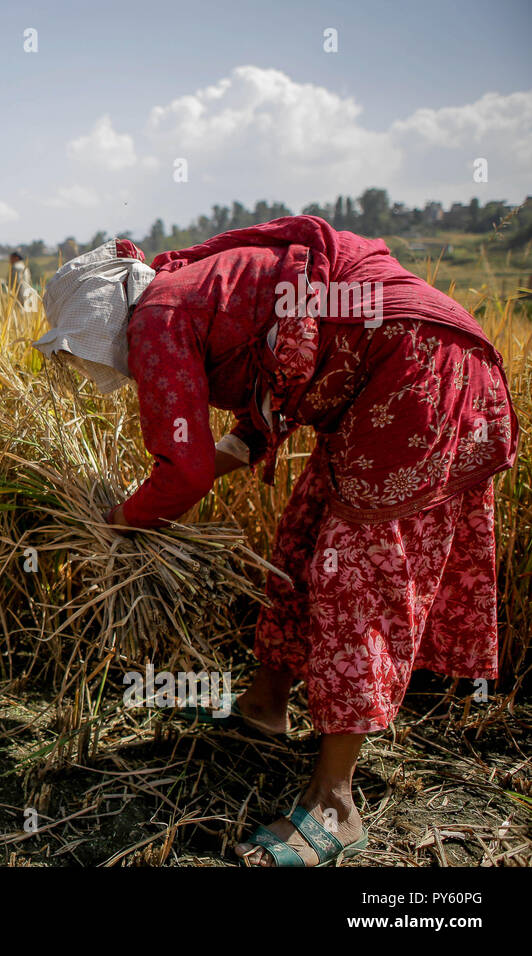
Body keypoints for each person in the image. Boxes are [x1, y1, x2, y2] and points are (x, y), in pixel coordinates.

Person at [35, 219, 519, 866]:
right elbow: (241, 434)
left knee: (360, 577)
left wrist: (123, 519)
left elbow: (186, 468)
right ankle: (265, 709)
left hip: (418, 367)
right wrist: (154, 496)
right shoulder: (190, 295)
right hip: (398, 365)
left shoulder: (158, 315)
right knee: (303, 537)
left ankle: (335, 805)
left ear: (103, 322)